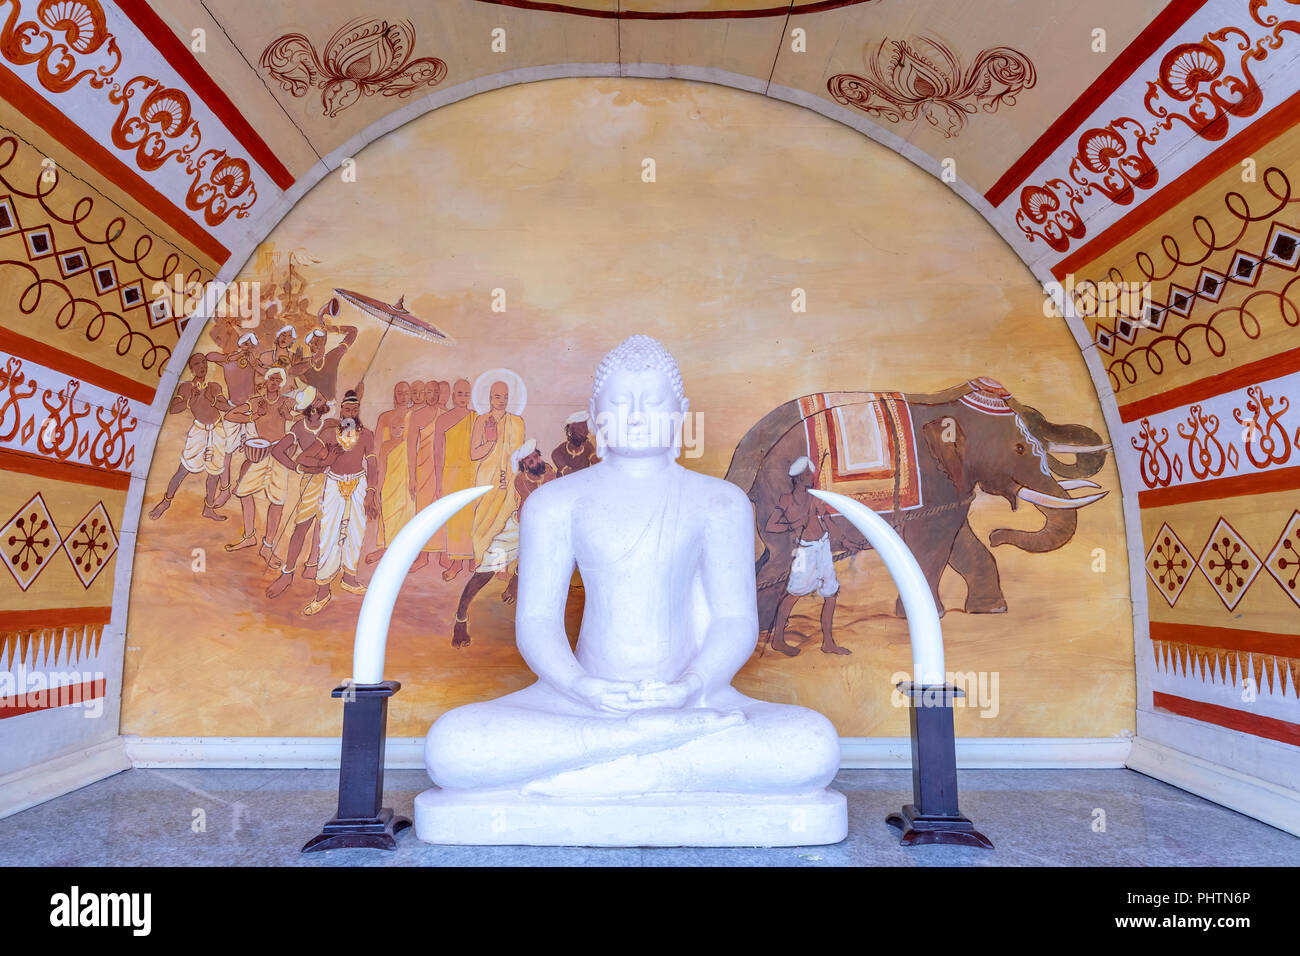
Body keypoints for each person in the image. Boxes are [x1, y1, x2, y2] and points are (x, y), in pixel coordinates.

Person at [424, 335, 841, 803]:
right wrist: (582, 686)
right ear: (596, 412)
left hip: (696, 701)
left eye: (653, 403)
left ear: (680, 411)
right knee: (452, 745)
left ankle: (610, 761)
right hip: (578, 704)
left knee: (812, 744)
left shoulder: (719, 503)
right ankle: (647, 749)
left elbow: (734, 620)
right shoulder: (554, 503)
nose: (637, 416)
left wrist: (693, 685)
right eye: (621, 403)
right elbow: (538, 621)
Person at [450, 439, 555, 648]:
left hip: (544, 528)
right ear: (524, 465)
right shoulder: (520, 480)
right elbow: (539, 502)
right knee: (485, 572)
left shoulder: (550, 471)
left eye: (536, 456)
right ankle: (460, 621)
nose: (535, 461)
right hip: (516, 530)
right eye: (530, 460)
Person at [763, 456, 850, 656]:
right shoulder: (786, 500)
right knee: (793, 594)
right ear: (797, 478)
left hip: (823, 547)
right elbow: (771, 525)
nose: (811, 478)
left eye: (811, 474)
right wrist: (794, 524)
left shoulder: (815, 498)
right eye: (807, 475)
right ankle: (778, 640)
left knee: (830, 594)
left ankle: (828, 643)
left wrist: (844, 540)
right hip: (805, 551)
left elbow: (827, 522)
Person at [302, 390, 378, 616]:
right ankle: (322, 590)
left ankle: (349, 578)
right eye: (347, 409)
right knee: (329, 535)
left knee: (356, 531)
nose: (351, 413)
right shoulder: (328, 433)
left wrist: (371, 491)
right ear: (341, 410)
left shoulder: (366, 435)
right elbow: (304, 458)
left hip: (359, 484)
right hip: (334, 485)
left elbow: (372, 464)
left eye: (355, 410)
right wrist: (326, 460)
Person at [223, 369, 297, 567]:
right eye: (272, 379)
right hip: (261, 453)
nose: (274, 382)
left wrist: (289, 416)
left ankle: (268, 546)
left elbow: (303, 418)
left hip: (279, 454)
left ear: (281, 383)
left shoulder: (286, 402)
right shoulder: (257, 402)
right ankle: (249, 536)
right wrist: (254, 415)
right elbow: (231, 414)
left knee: (278, 501)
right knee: (243, 492)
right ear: (266, 381)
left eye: (278, 380)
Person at [148, 353, 232, 522]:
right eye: (197, 363)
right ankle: (166, 502)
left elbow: (225, 407)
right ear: (191, 368)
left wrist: (212, 400)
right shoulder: (186, 387)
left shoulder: (214, 386)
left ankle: (208, 508)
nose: (202, 366)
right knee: (183, 469)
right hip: (199, 431)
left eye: (204, 362)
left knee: (214, 472)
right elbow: (173, 408)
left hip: (216, 430)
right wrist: (189, 402)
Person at [265, 390, 330, 599]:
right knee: (302, 527)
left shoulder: (330, 425)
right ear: (311, 408)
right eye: (319, 400)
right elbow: (277, 451)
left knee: (324, 525)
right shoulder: (299, 428)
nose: (324, 401)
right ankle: (287, 573)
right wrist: (297, 468)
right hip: (312, 481)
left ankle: (313, 564)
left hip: (333, 480)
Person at [468, 379, 525, 570]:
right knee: (483, 523)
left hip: (508, 481)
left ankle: (501, 565)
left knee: (504, 522)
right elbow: (474, 453)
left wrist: (513, 478)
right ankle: (482, 561)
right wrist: (491, 442)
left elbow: (519, 455)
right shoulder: (481, 421)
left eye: (506, 397)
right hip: (486, 480)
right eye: (497, 396)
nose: (502, 400)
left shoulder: (517, 422)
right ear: (490, 398)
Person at [365, 380, 415, 566]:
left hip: (407, 473)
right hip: (388, 471)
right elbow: (377, 447)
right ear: (394, 396)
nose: (403, 396)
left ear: (411, 396)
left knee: (407, 510)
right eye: (399, 393)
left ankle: (401, 549)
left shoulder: (414, 416)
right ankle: (385, 547)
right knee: (388, 508)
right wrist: (376, 473)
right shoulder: (385, 417)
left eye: (406, 393)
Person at [432, 378, 477, 581]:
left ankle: (473, 558)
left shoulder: (476, 418)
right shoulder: (443, 419)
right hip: (450, 474)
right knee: (455, 519)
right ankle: (457, 563)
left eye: (466, 394)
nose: (463, 398)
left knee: (472, 518)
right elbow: (438, 452)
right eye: (459, 394)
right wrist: (439, 481)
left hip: (471, 473)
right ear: (452, 395)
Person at [551, 411, 598, 476]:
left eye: (585, 428)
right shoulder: (558, 452)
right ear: (570, 430)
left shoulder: (588, 447)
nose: (585, 432)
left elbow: (597, 464)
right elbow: (568, 474)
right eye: (580, 428)